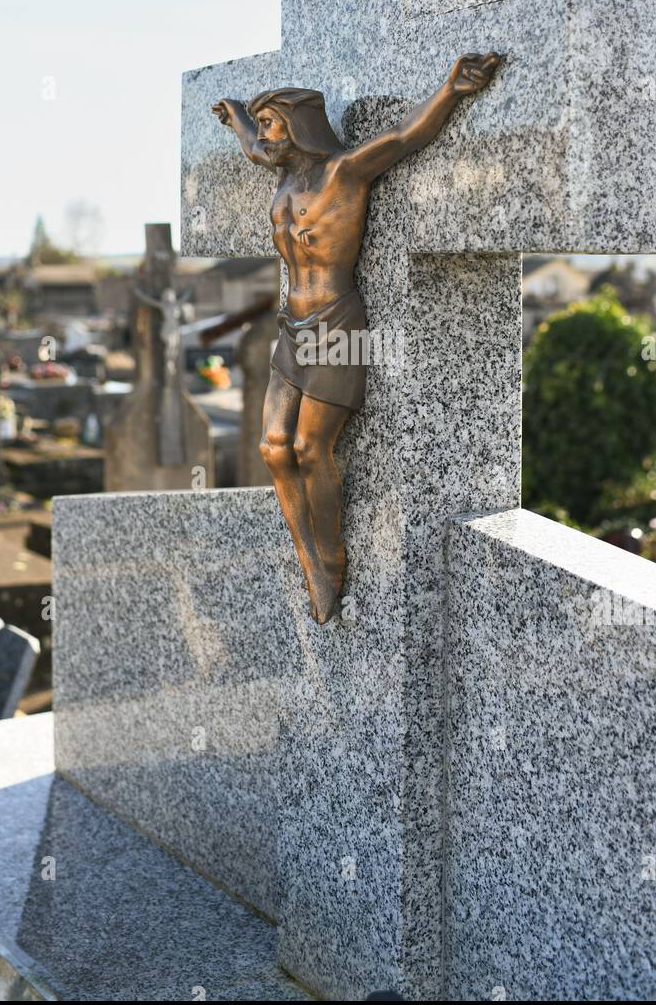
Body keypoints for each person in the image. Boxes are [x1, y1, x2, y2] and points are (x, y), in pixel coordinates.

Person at [212, 52, 502, 623]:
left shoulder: (342, 173)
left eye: (273, 125)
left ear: (298, 127)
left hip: (339, 322)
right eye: (264, 126)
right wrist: (237, 118)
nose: (265, 138)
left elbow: (401, 137)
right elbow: (254, 147)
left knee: (307, 447)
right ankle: (309, 561)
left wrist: (451, 89)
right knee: (272, 448)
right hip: (292, 325)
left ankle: (334, 560)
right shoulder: (283, 173)